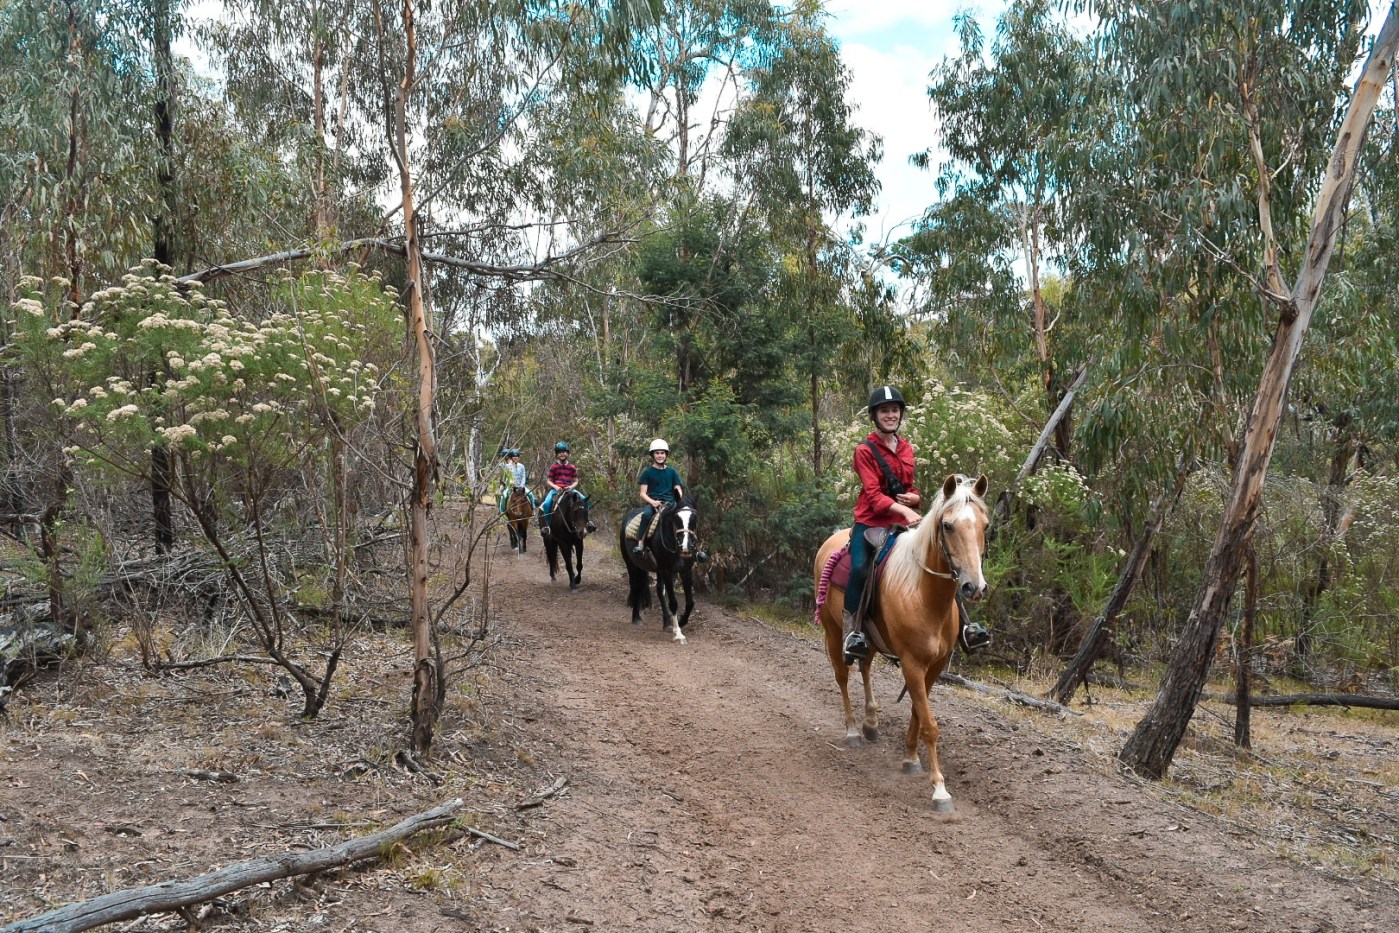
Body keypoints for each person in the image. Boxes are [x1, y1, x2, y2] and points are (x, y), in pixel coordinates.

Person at [843, 386, 923, 663]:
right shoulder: (864, 451)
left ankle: (962, 627)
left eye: (894, 410)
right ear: (873, 415)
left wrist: (914, 498)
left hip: (900, 523)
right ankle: (852, 632)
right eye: (884, 410)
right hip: (870, 523)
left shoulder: (906, 448)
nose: (890, 415)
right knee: (859, 568)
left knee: (936, 562)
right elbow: (875, 498)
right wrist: (905, 510)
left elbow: (910, 489)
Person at [632, 438, 685, 554]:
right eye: (657, 453)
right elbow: (642, 493)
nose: (660, 456)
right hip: (654, 503)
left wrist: (680, 501)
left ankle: (694, 548)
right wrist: (652, 502)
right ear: (653, 455)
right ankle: (640, 543)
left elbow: (678, 489)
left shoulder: (672, 472)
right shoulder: (647, 472)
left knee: (687, 517)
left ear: (666, 455)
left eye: (662, 453)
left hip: (671, 503)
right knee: (646, 515)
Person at [539, 441, 596, 535]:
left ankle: (587, 522)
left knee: (585, 501)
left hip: (570, 490)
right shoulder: (554, 467)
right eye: (559, 452)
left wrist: (571, 487)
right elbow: (549, 481)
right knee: (547, 504)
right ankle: (547, 526)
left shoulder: (572, 467)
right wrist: (556, 487)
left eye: (564, 452)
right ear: (557, 454)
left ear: (568, 453)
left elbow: (576, 481)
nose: (562, 454)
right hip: (556, 490)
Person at [498, 449, 533, 514]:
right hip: (511, 487)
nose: (515, 458)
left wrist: (522, 485)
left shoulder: (522, 466)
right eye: (514, 457)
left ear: (519, 458)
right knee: (504, 496)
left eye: (517, 457)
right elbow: (505, 477)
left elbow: (523, 476)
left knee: (530, 494)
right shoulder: (507, 466)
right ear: (511, 457)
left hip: (521, 487)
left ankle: (532, 509)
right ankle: (502, 511)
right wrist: (509, 482)